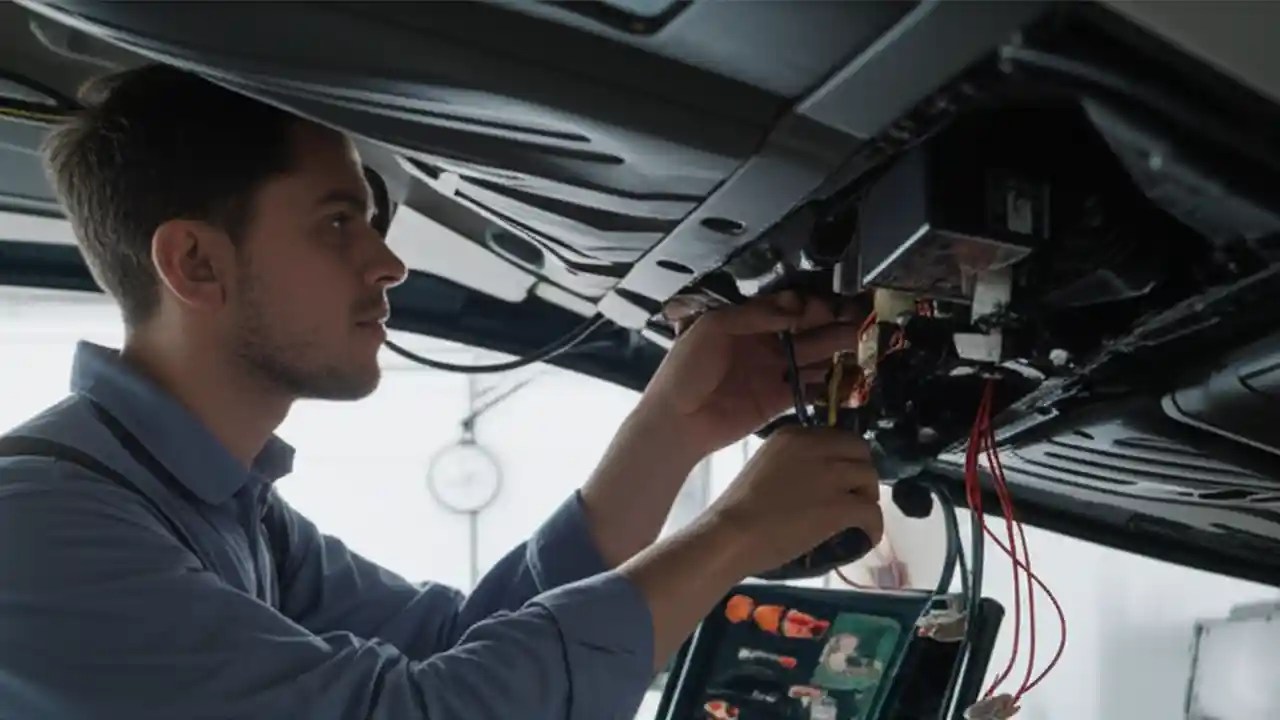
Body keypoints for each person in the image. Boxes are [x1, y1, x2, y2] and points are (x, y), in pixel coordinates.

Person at [0, 64, 883, 720]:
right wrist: (737, 532)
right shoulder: (36, 528)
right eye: (338, 223)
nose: (388, 264)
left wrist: (672, 432)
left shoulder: (223, 510)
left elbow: (461, 642)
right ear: (195, 263)